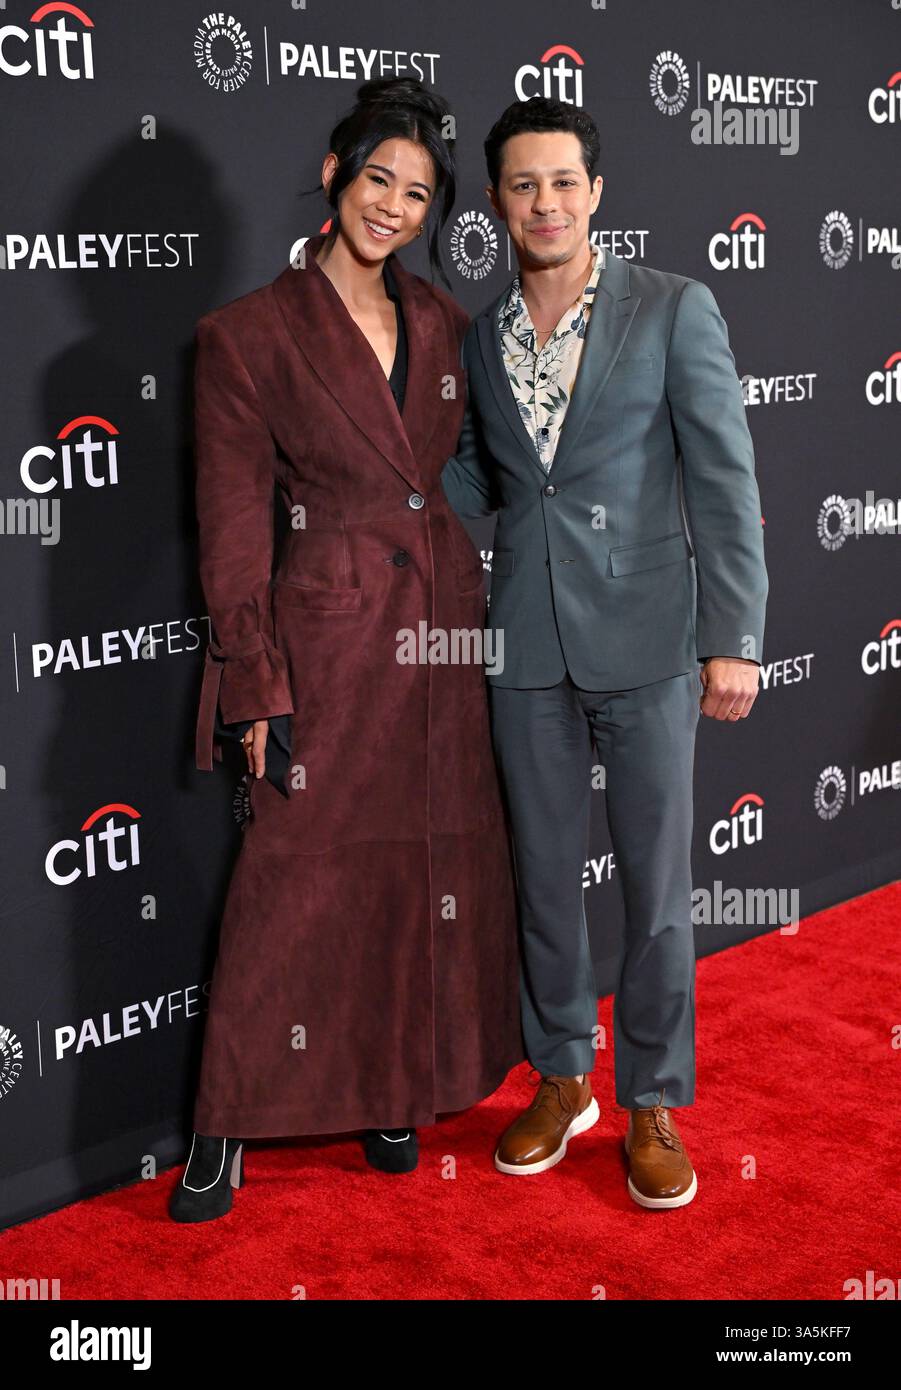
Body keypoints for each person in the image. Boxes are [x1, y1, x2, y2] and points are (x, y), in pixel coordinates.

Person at [171, 78, 524, 1223]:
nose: (394, 207)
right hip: (325, 636)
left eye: (418, 194)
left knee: (420, 870)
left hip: (439, 638)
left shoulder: (447, 325)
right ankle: (221, 1123)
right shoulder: (245, 336)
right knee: (289, 874)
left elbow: (483, 469)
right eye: (379, 179)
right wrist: (252, 679)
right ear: (334, 175)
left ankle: (390, 1085)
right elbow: (232, 532)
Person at [441, 97, 768, 1209]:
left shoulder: (674, 309)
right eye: (522, 185)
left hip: (650, 641)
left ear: (595, 191)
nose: (545, 203)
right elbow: (485, 481)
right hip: (525, 644)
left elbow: (725, 483)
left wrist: (734, 637)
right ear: (496, 200)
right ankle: (561, 1075)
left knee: (656, 889)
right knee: (540, 881)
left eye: (563, 181)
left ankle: (650, 1102)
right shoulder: (478, 336)